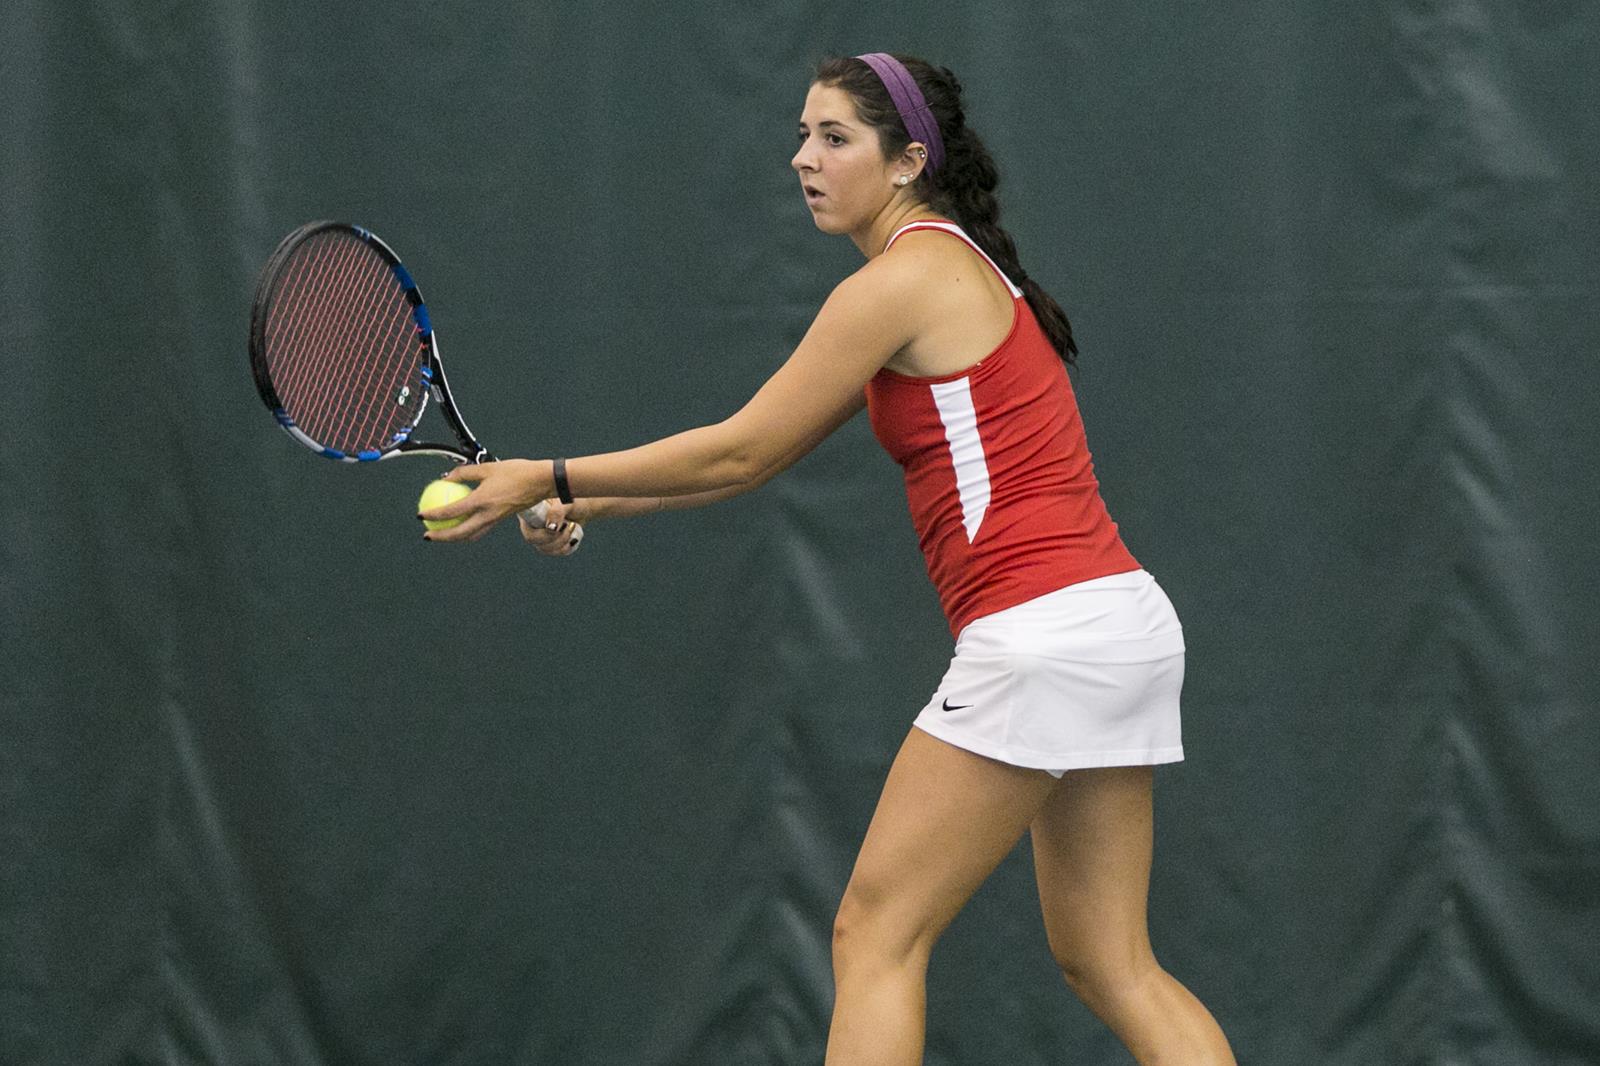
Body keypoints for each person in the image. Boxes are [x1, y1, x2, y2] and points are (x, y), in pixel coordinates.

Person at [421, 51, 1235, 1066]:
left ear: (904, 163)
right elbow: (748, 468)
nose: (803, 158)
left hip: (1041, 632)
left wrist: (543, 472)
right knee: (1110, 963)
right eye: (802, 135)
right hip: (1120, 622)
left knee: (875, 936)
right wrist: (566, 494)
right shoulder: (949, 271)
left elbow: (739, 445)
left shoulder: (901, 281)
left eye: (833, 138)